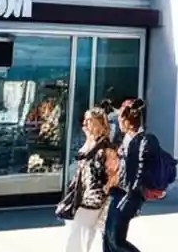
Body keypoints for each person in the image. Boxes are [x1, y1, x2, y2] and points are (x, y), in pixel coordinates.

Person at [61, 108, 118, 252]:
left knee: (79, 233)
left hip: (93, 198)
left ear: (100, 124)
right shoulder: (89, 143)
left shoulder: (105, 147)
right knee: (80, 233)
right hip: (80, 196)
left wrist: (105, 193)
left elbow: (113, 174)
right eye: (85, 120)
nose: (85, 124)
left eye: (90, 121)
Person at [105, 98, 149, 252]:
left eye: (120, 118)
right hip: (118, 192)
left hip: (129, 195)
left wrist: (130, 194)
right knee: (108, 239)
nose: (118, 121)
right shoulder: (126, 138)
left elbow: (140, 171)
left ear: (128, 120)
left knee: (116, 240)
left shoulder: (140, 140)